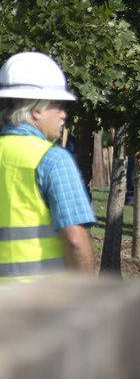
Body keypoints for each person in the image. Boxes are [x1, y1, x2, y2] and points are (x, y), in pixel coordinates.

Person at [0, 51, 96, 281]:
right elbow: (75, 241)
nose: (64, 114)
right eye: (58, 105)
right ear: (36, 109)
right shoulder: (53, 160)